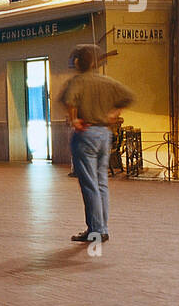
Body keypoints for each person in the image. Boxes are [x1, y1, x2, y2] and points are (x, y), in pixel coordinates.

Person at [57, 44, 135, 244]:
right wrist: (113, 114)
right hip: (104, 134)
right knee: (101, 183)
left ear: (78, 62)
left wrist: (74, 119)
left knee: (89, 184)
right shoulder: (107, 81)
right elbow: (128, 97)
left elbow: (69, 100)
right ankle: (101, 227)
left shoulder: (78, 81)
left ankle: (96, 229)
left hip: (86, 133)